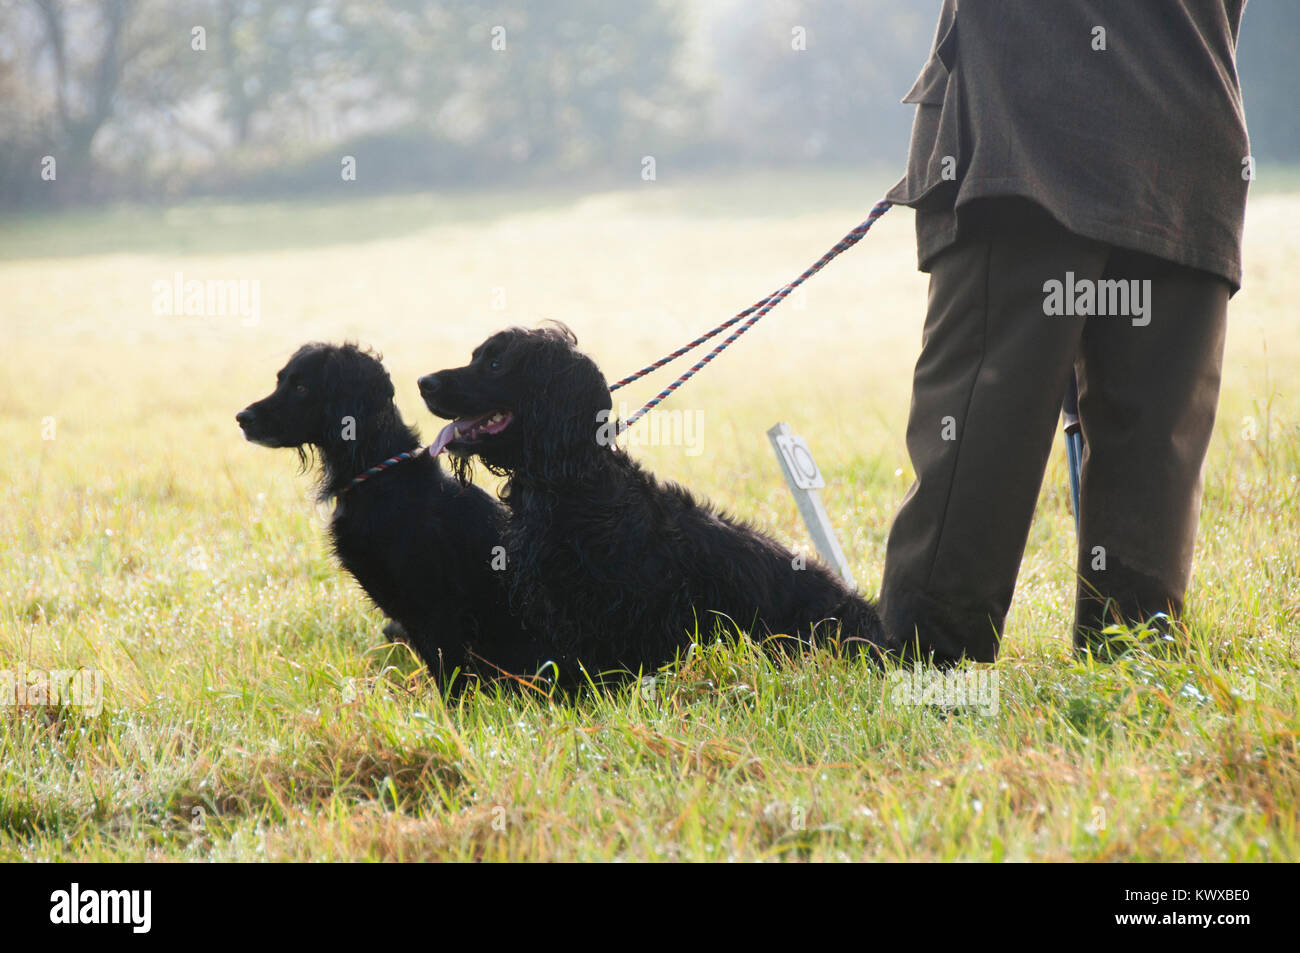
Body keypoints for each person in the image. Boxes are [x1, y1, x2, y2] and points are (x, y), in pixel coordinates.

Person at [878, 0, 1251, 665]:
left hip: (1027, 133)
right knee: (1152, 455)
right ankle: (1132, 693)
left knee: (982, 433)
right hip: (1189, 138)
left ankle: (932, 688)